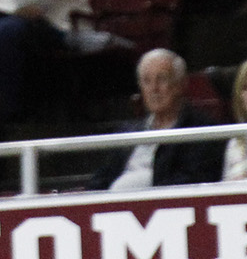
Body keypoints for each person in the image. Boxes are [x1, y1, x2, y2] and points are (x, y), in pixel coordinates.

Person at [91, 49, 225, 191]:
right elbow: (103, 177)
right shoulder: (127, 132)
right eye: (147, 81)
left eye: (161, 79)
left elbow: (193, 181)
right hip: (112, 207)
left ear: (180, 84)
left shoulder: (202, 130)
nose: (153, 88)